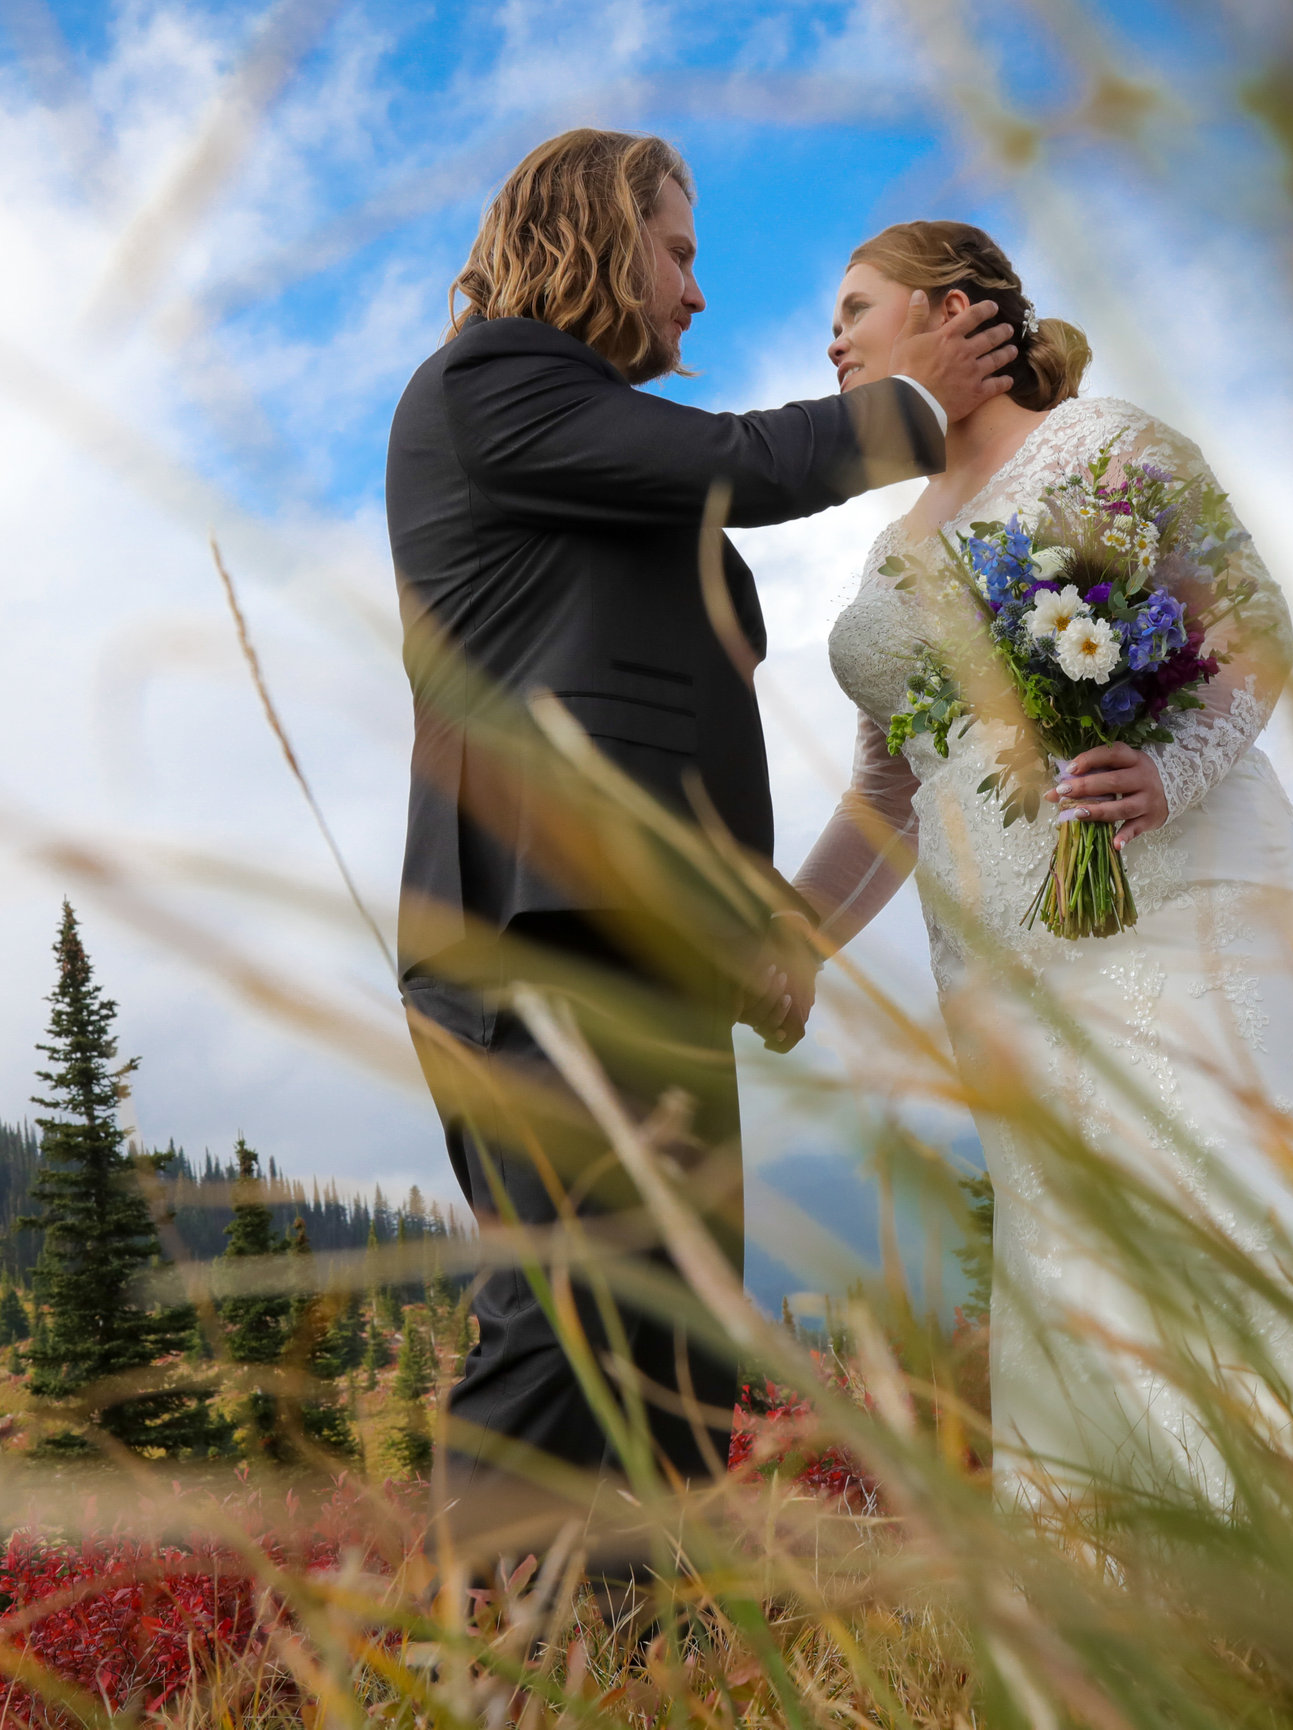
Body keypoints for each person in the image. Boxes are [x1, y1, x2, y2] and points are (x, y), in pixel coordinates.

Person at [792, 221, 1293, 1509]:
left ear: (953, 312)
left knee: (1234, 1198)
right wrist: (781, 935)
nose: (835, 338)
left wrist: (1172, 767)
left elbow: (1255, 623)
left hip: (1165, 900)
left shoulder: (1109, 449)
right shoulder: (890, 550)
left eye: (859, 307)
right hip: (1000, 966)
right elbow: (886, 792)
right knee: (1082, 1253)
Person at [384, 136, 1018, 1563]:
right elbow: (744, 458)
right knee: (562, 1328)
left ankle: (640, 1659)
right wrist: (924, 406)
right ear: (597, 237)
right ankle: (509, 1678)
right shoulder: (493, 379)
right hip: (541, 933)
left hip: (639, 944)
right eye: (678, 251)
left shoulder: (571, 436)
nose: (698, 292)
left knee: (677, 1349)